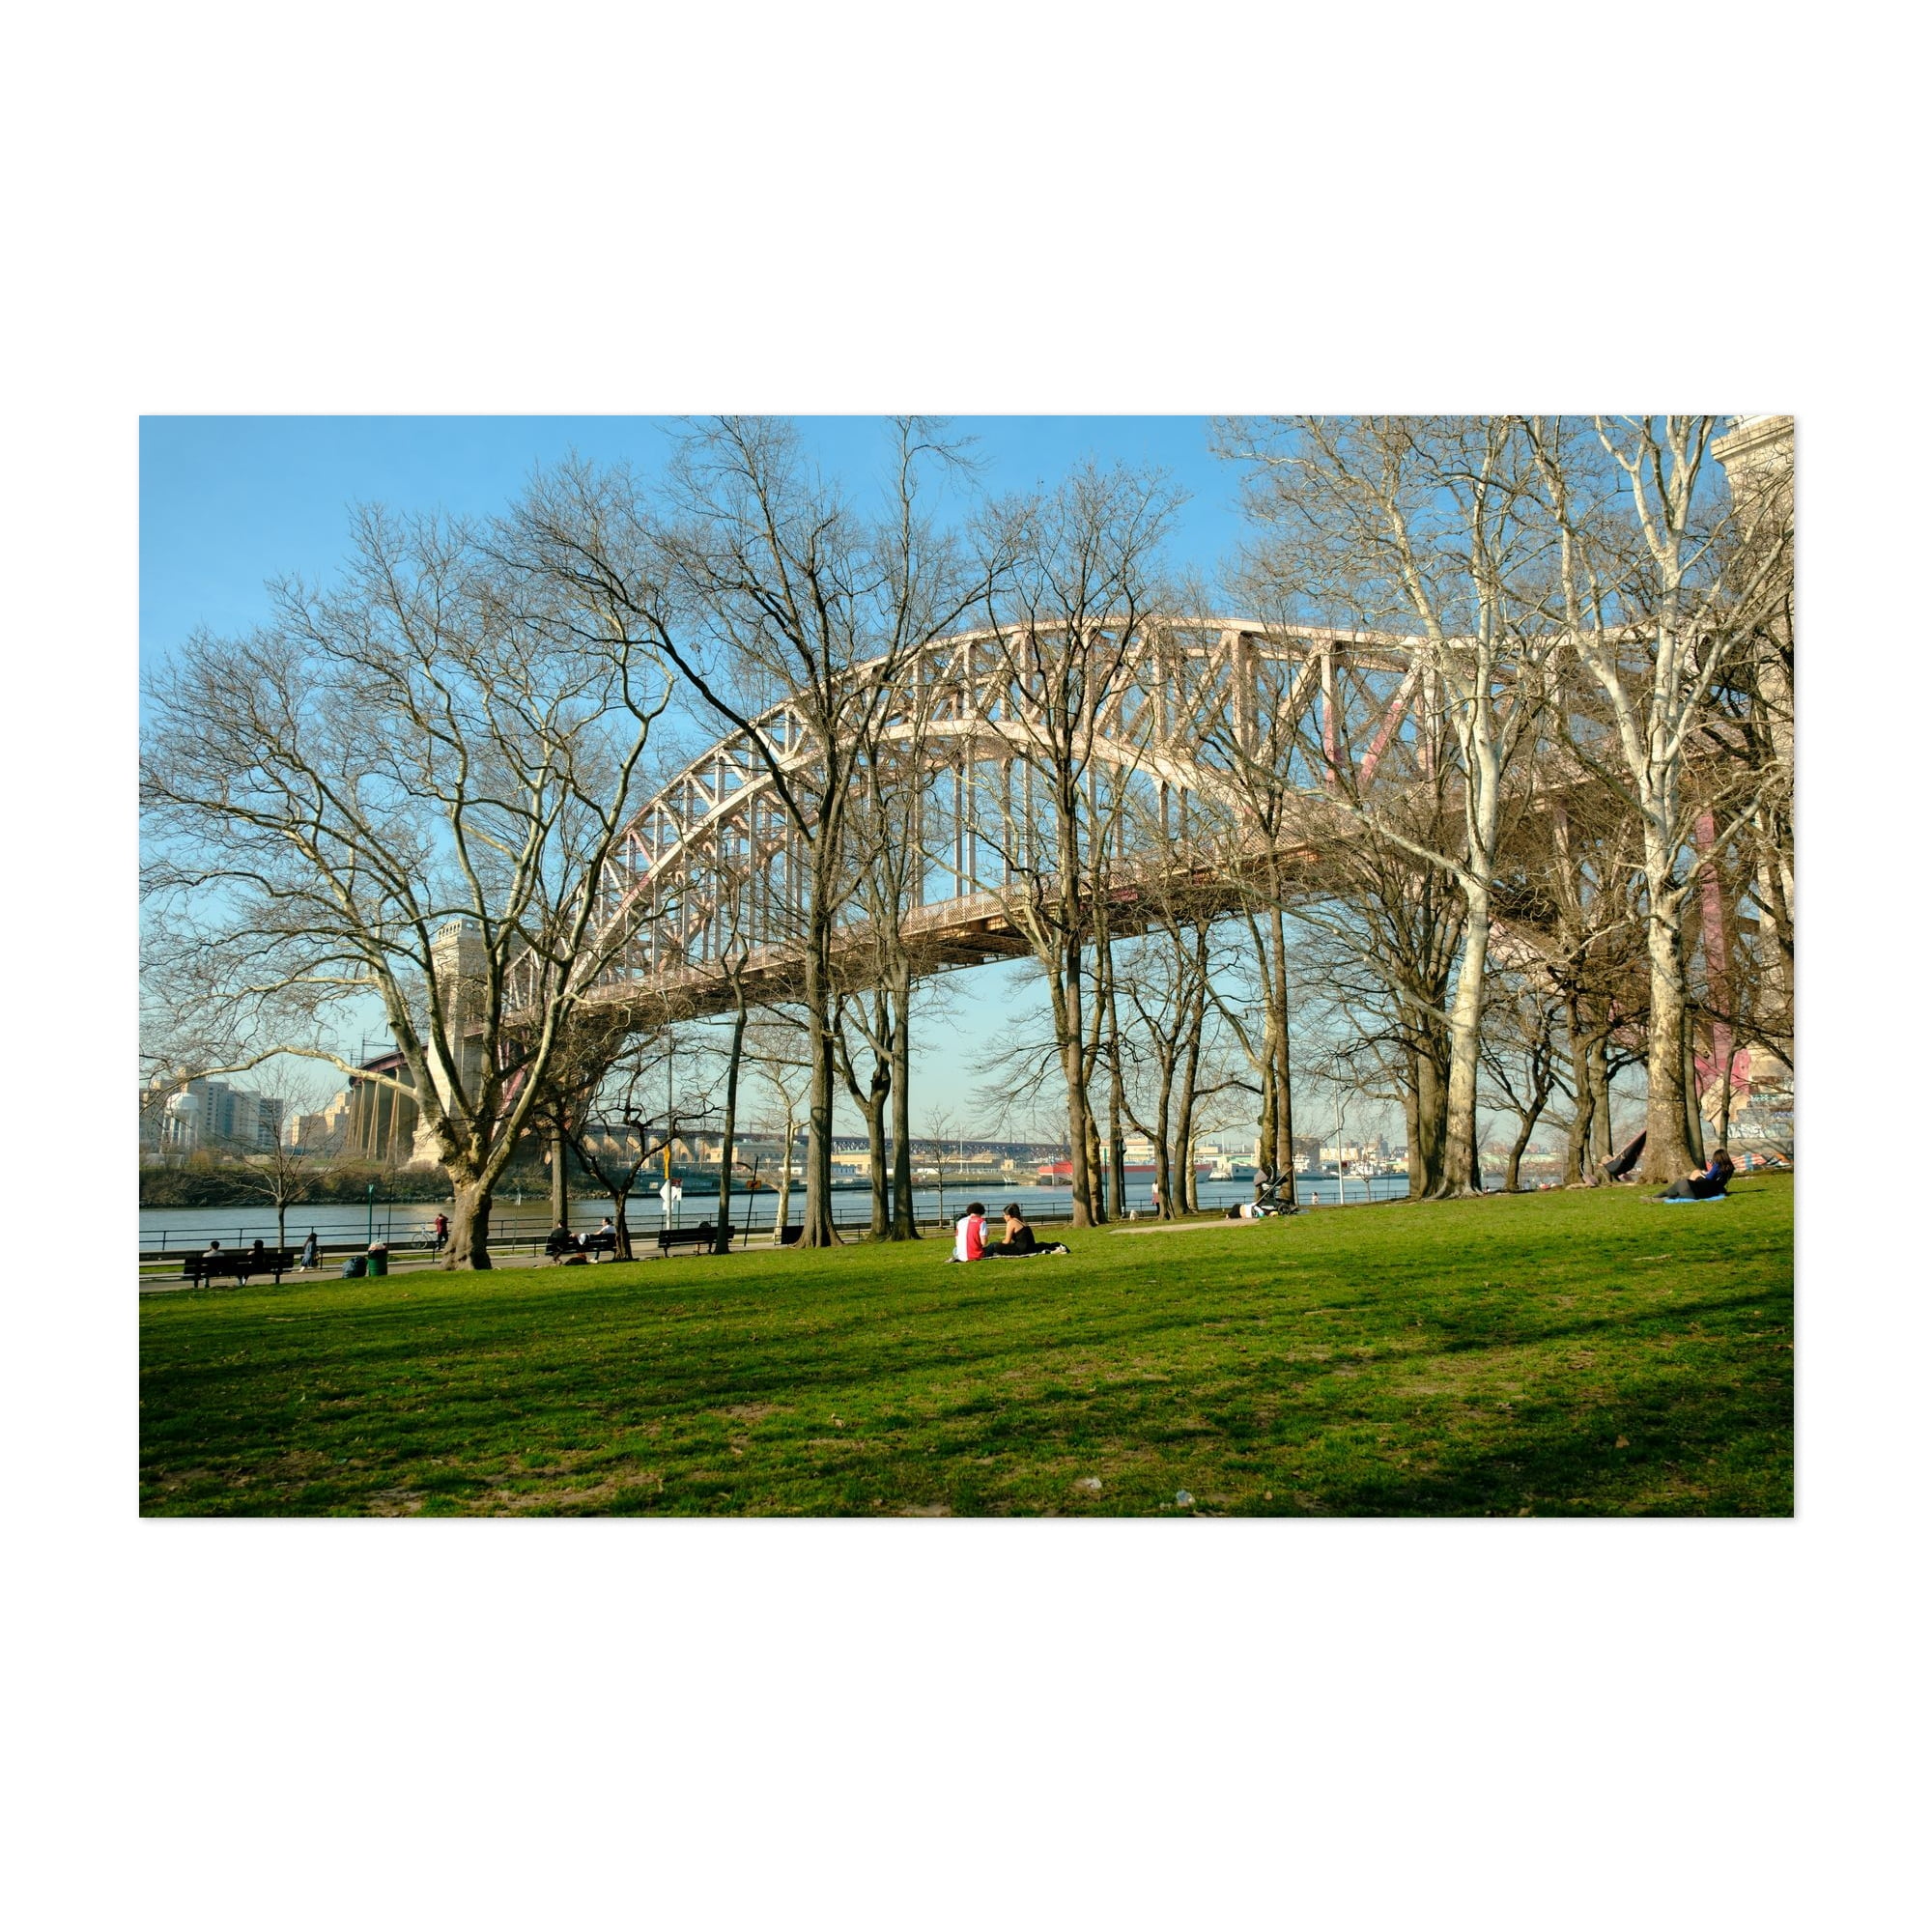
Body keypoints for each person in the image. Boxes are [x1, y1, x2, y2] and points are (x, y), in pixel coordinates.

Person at [982, 1203, 1069, 1259]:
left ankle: (983, 1254)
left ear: (1009, 1215)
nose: (1003, 1217)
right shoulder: (1021, 1220)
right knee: (996, 1245)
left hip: (1021, 1249)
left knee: (994, 1245)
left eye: (1004, 1215)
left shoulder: (1011, 1222)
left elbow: (1007, 1241)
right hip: (1029, 1247)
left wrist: (1000, 1242)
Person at [1655, 1147, 1736, 1202]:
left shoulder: (1717, 1165)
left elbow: (1709, 1178)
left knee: (1668, 1192)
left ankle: (1654, 1198)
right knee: (1671, 1197)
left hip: (1688, 1185)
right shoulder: (1730, 1170)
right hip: (1695, 1192)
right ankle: (1657, 1199)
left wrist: (1703, 1174)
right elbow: (1719, 1182)